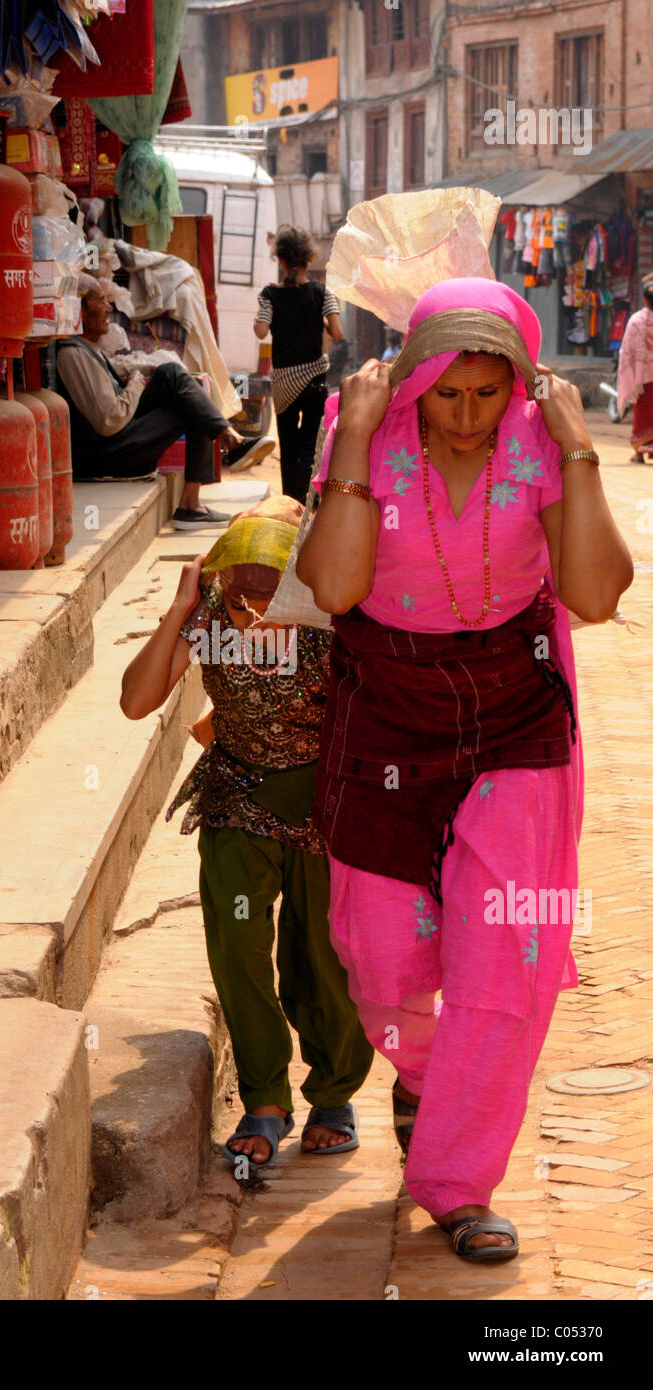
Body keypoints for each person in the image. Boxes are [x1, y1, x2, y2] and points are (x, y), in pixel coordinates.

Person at [296, 277, 633, 1261]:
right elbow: (334, 584)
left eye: (488, 394)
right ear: (414, 384)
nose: (466, 418)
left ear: (518, 386)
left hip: (512, 713)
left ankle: (455, 1181)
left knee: (507, 954)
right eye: (447, 394)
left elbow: (596, 596)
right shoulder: (364, 430)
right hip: (386, 709)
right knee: (379, 953)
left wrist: (579, 454)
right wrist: (353, 444)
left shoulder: (539, 441)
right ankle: (426, 1082)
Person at [120, 506, 374, 1167]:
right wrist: (179, 612)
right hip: (236, 799)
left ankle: (333, 1092)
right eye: (244, 603)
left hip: (325, 806)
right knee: (237, 945)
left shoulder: (329, 617)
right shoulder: (206, 615)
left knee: (324, 954)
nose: (258, 621)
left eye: (273, 602)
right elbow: (136, 700)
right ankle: (265, 1097)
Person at [56, 284, 275, 531]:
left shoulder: (89, 349)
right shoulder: (72, 354)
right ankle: (219, 460)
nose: (109, 308)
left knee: (175, 378)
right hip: (108, 456)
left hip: (117, 443)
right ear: (80, 313)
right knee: (190, 404)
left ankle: (222, 448)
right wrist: (136, 384)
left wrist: (140, 374)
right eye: (102, 301)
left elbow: (115, 387)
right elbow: (110, 421)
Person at [254, 225, 343, 502]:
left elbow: (260, 330)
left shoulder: (270, 295)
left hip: (283, 383)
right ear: (308, 259)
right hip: (314, 379)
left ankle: (288, 501)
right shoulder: (321, 293)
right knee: (310, 446)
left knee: (289, 446)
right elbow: (338, 333)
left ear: (279, 260)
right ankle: (307, 500)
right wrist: (322, 321)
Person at [617, 282, 653, 463]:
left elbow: (627, 350)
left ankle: (640, 452)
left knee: (642, 415)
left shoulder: (636, 321)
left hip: (642, 378)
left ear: (644, 299)